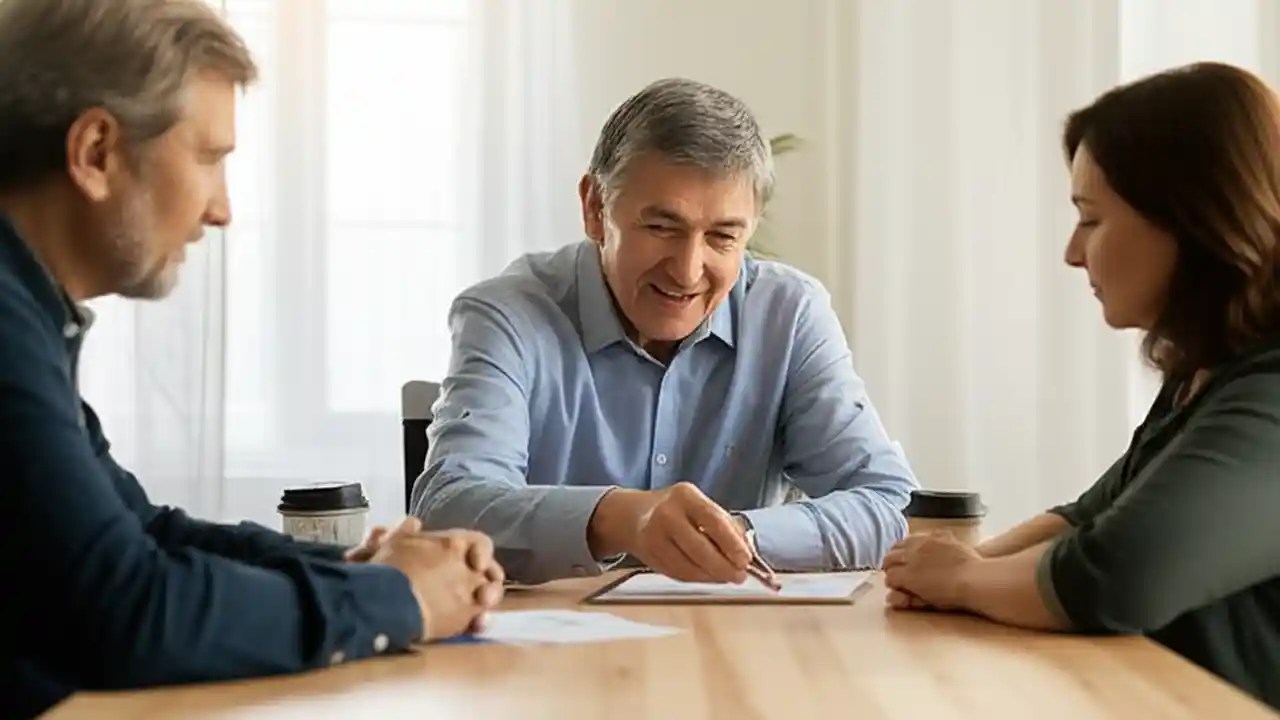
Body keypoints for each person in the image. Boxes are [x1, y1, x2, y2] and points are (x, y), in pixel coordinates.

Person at [0, 1, 502, 717]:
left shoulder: (29, 313)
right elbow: (125, 611)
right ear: (96, 153)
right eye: (209, 159)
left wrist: (362, 568)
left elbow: (143, 531)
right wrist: (397, 598)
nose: (222, 210)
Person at [882, 62, 1280, 709]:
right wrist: (947, 571)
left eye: (1091, 219)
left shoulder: (1270, 394)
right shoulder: (1208, 371)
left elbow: (1116, 576)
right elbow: (1092, 514)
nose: (1073, 252)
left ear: (1193, 220)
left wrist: (961, 579)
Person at [413, 78, 917, 585]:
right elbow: (447, 509)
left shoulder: (789, 315)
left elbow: (892, 505)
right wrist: (625, 519)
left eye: (722, 237)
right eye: (661, 228)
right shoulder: (507, 314)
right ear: (595, 208)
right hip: (548, 652)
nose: (687, 270)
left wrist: (731, 537)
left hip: (743, 644)